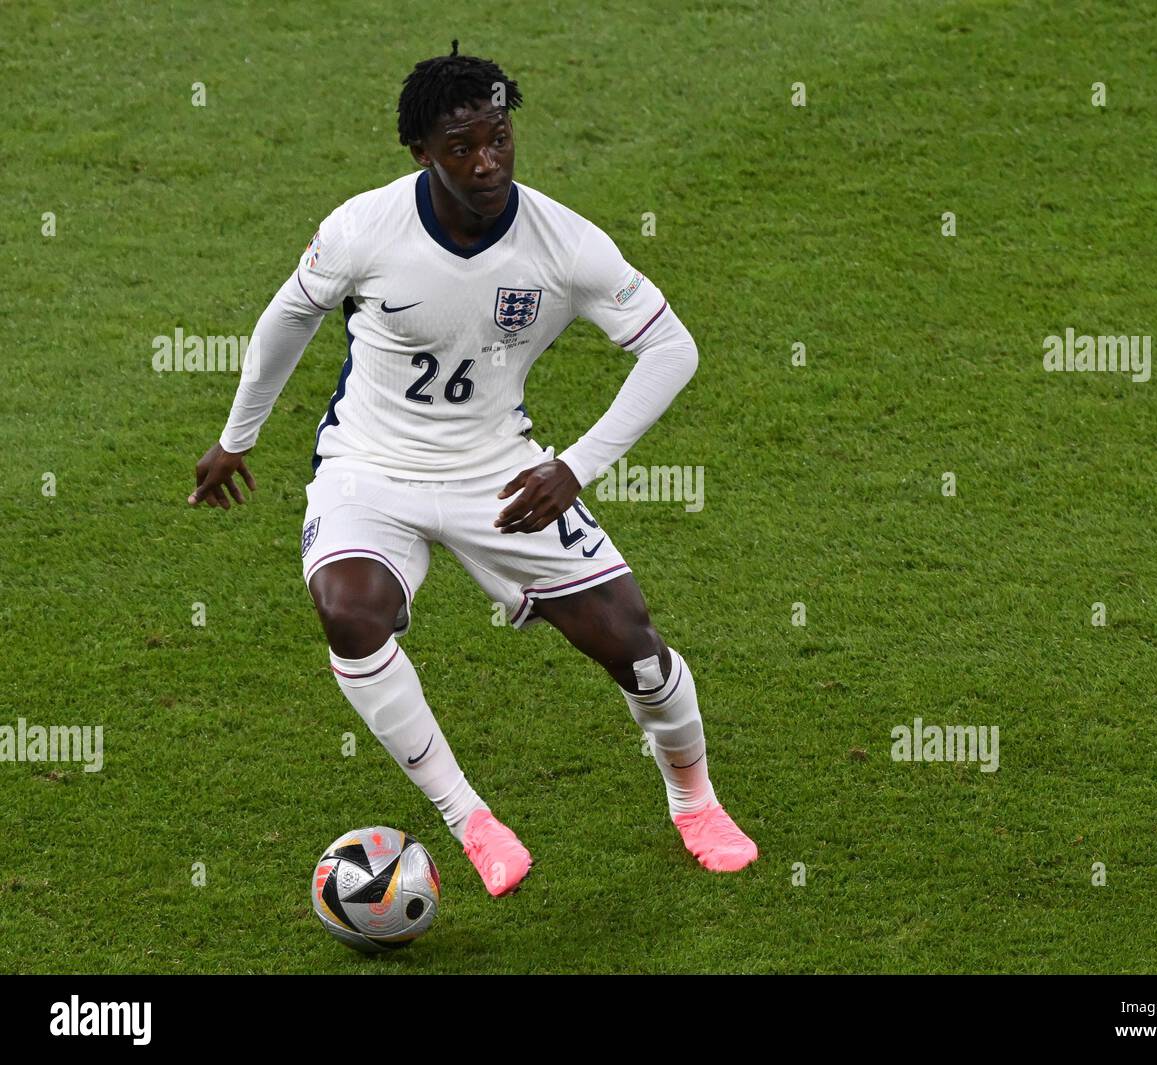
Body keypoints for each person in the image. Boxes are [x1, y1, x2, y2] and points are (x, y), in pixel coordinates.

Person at [188, 42, 757, 896]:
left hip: (502, 473)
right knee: (348, 609)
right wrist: (238, 436)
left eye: (498, 137)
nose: (487, 161)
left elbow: (672, 348)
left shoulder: (564, 242)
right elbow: (285, 321)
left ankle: (695, 801)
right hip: (369, 466)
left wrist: (577, 465)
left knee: (636, 650)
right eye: (462, 146)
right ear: (421, 153)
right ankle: (472, 820)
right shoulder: (363, 229)